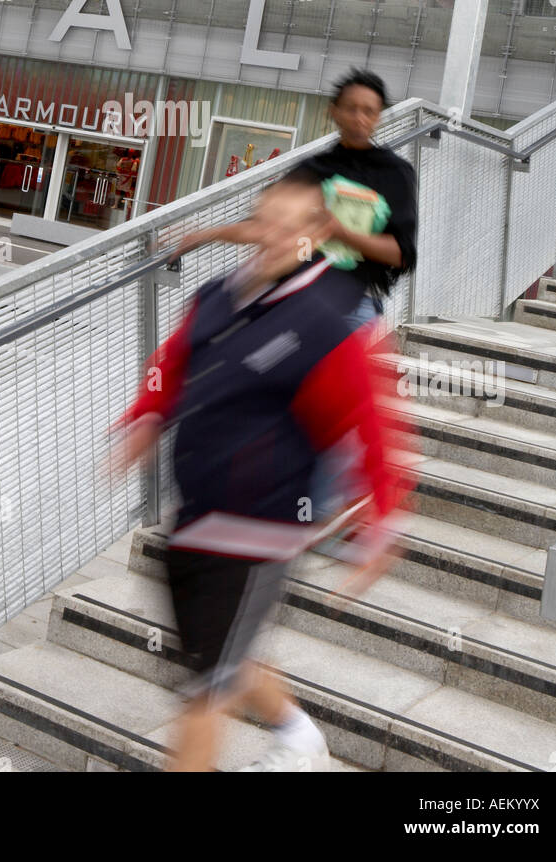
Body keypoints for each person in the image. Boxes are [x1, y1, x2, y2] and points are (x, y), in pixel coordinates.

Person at [111, 169, 412, 773]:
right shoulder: (217, 296)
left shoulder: (327, 320)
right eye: (266, 222)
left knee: (207, 688)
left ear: (316, 234)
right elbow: (170, 362)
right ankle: (300, 738)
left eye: (291, 226)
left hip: (264, 524)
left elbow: (371, 421)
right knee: (220, 656)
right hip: (196, 511)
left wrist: (382, 513)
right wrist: (144, 416)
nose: (274, 236)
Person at [171, 69, 417, 336]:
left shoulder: (394, 173)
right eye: (351, 108)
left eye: (369, 111)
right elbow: (263, 226)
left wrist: (340, 232)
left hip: (353, 309)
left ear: (378, 116)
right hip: (296, 299)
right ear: (333, 111)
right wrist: (206, 233)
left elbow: (401, 254)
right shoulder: (313, 169)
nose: (359, 118)